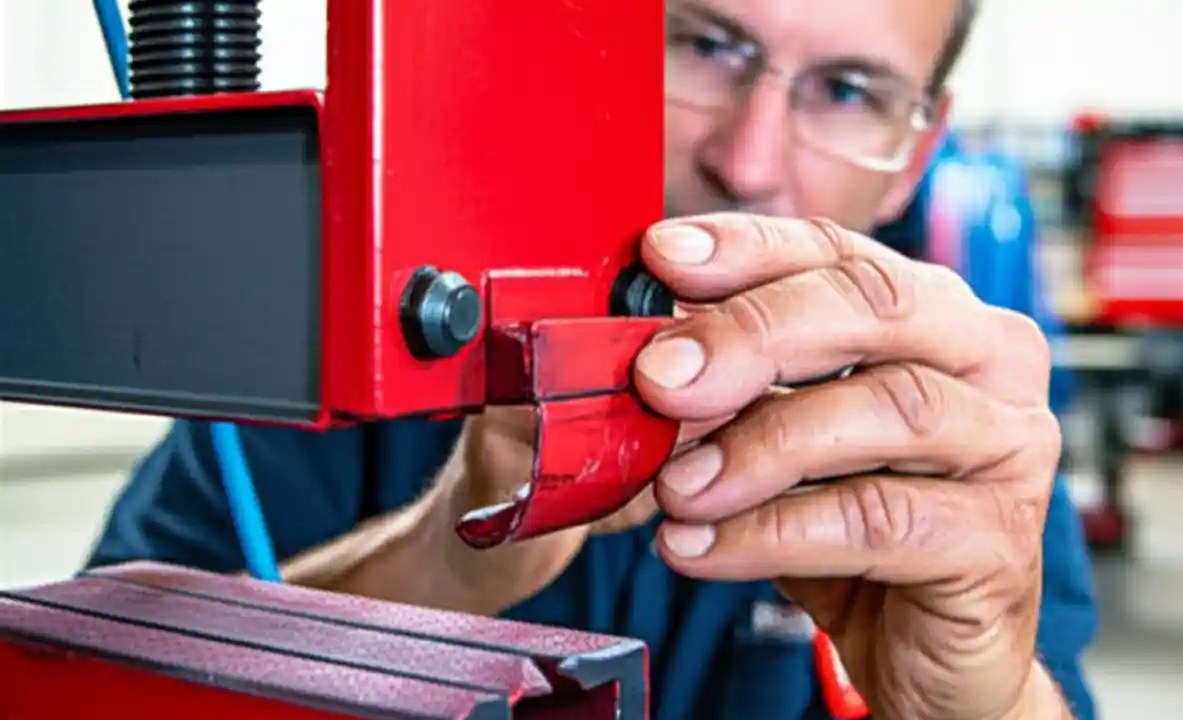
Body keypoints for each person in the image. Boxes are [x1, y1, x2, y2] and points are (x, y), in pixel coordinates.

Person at [87, 1, 1098, 718]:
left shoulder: (948, 427)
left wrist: (985, 705)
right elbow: (91, 681)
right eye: (705, 44)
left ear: (911, 159)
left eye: (845, 90)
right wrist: (439, 563)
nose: (745, 162)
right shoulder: (351, 332)